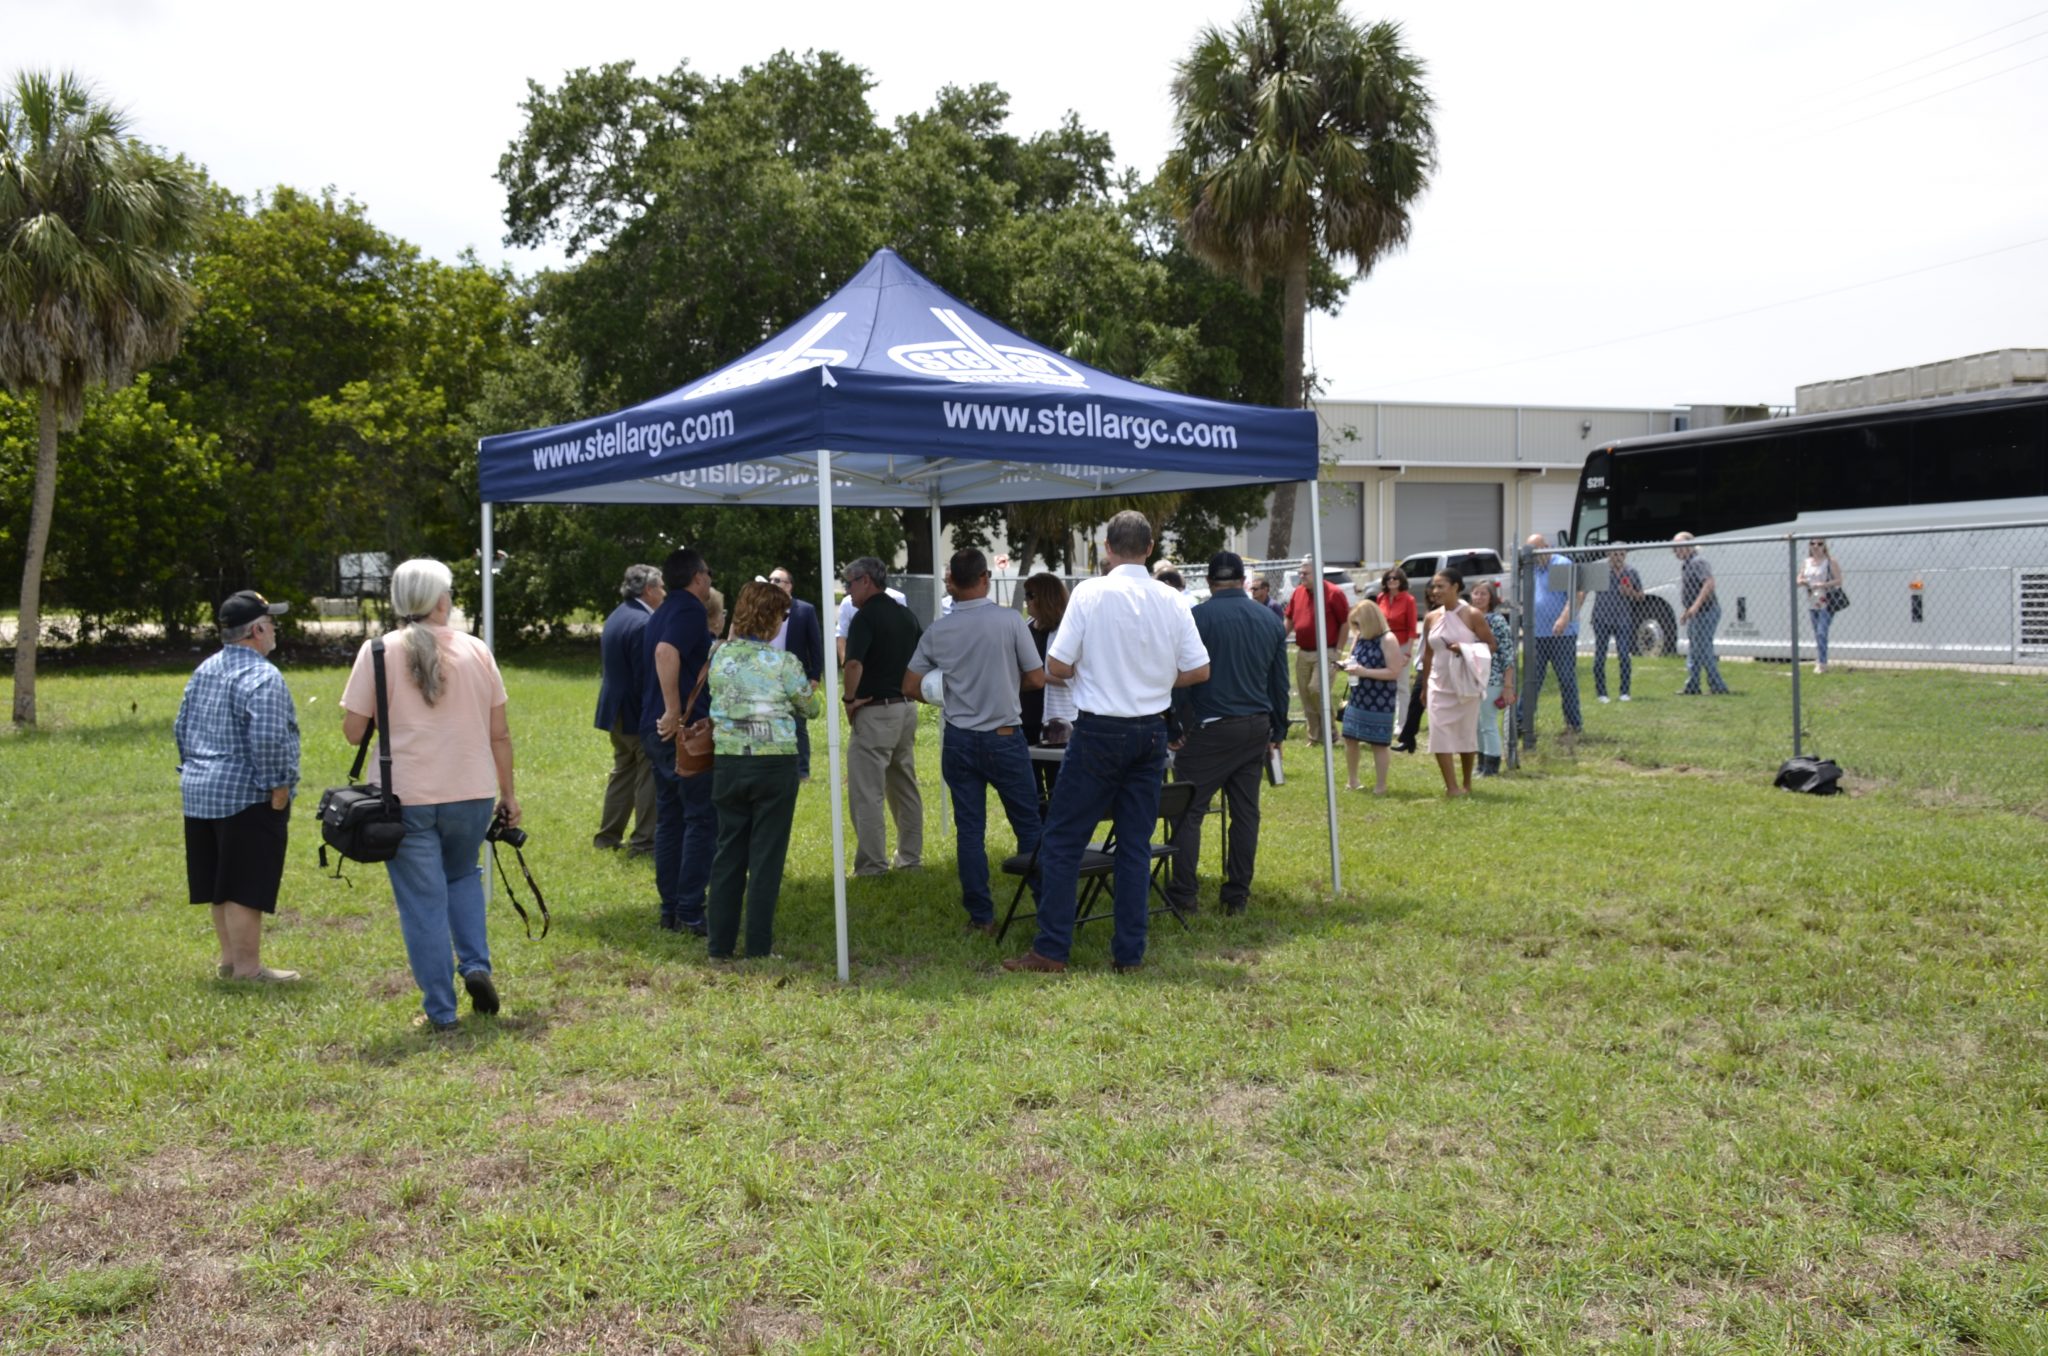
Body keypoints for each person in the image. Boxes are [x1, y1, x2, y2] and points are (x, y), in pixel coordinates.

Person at [1005, 511, 1210, 975]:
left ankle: (1052, 949)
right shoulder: (1173, 599)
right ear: (1151, 548)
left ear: (1106, 549)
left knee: (1061, 840)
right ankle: (1129, 955)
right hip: (1151, 730)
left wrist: (1093, 670)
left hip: (1099, 730)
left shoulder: (1091, 593)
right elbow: (1199, 670)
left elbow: (1056, 666)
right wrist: (1156, 678)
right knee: (1135, 846)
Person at [341, 559, 517, 1031]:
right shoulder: (477, 650)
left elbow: (353, 731)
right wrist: (509, 794)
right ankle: (476, 966)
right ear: (442, 600)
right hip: (473, 790)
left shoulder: (377, 652)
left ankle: (441, 1009)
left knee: (423, 902)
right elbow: (499, 733)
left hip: (409, 796)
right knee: (462, 877)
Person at [904, 548, 1047, 934]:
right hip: (1004, 735)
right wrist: (1004, 682)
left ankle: (981, 916)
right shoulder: (1009, 621)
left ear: (952, 581)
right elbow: (1036, 679)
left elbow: (910, 685)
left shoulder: (938, 630)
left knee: (970, 831)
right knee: (1029, 828)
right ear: (985, 577)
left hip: (960, 738)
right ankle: (1046, 906)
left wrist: (946, 694)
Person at [175, 589, 300, 982]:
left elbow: (182, 726)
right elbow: (267, 737)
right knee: (246, 885)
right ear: (257, 629)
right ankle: (248, 970)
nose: (275, 628)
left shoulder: (205, 669)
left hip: (200, 792)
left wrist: (194, 767)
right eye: (272, 622)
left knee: (220, 884)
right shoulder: (263, 676)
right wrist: (278, 784)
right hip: (246, 795)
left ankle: (229, 961)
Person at [1165, 551, 1289, 915]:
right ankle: (1236, 896)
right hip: (1255, 726)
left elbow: (1182, 679)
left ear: (1208, 581)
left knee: (1187, 811)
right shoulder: (1268, 618)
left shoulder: (1198, 617)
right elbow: (1278, 683)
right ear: (1243, 581)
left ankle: (1184, 894)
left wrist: (1175, 725)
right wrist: (1278, 729)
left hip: (1211, 727)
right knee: (1245, 813)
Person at [704, 581, 820, 960]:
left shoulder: (718, 655)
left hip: (728, 763)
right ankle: (757, 947)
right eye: (783, 615)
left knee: (727, 855)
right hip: (774, 765)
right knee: (766, 859)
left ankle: (719, 946)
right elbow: (810, 708)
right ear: (773, 619)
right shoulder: (784, 663)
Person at [640, 546, 717, 934]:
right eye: (708, 574)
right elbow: (666, 652)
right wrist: (674, 711)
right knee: (700, 819)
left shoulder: (663, 609)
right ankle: (689, 909)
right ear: (697, 577)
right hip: (683, 733)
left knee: (670, 819)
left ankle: (670, 908)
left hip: (656, 730)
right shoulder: (688, 609)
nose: (710, 581)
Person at [841, 557, 924, 876]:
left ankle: (873, 865)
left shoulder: (864, 618)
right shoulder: (905, 615)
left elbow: (852, 665)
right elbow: (921, 659)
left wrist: (849, 699)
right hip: (905, 709)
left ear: (866, 581)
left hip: (874, 711)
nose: (847, 590)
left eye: (850, 583)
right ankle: (910, 858)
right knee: (905, 786)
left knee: (867, 792)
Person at [593, 563, 664, 855]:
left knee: (623, 772)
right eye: (661, 587)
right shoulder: (644, 622)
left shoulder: (617, 615)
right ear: (648, 590)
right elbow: (644, 677)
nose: (664, 592)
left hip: (615, 711)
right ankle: (644, 842)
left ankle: (608, 837)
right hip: (635, 713)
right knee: (648, 772)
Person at [1417, 570, 1492, 797]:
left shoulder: (1472, 614)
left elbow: (1491, 645)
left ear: (1456, 586)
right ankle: (1452, 788)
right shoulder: (1431, 618)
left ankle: (1467, 783)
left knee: (1465, 733)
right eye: (1434, 587)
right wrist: (1424, 685)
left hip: (1464, 682)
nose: (1435, 591)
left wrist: (1464, 648)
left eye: (1441, 586)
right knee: (1439, 733)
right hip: (1438, 682)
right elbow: (1428, 654)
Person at [1518, 534, 1583, 749]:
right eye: (1532, 554)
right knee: (1531, 679)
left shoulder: (1561, 564)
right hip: (1537, 634)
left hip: (1561, 635)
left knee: (1566, 678)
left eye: (1537, 552)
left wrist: (1564, 619)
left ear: (1546, 547)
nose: (1536, 557)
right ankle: (1522, 723)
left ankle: (1573, 724)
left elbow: (1578, 593)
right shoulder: (1533, 568)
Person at [1338, 599, 1403, 794]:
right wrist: (1343, 664)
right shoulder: (1360, 637)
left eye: (1358, 624)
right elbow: (1353, 659)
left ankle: (1381, 785)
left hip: (1380, 699)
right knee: (1350, 738)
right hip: (1358, 695)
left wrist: (1365, 672)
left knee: (1378, 743)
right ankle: (1352, 780)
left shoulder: (1388, 639)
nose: (1356, 628)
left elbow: (1394, 671)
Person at [766, 565, 826, 777]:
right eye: (770, 580)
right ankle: (775, 767)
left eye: (777, 581)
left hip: (797, 676)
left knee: (798, 725)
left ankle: (802, 771)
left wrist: (814, 675)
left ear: (789, 586)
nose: (772, 584)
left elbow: (815, 644)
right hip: (767, 675)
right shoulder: (764, 608)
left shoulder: (804, 610)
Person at [1284, 555, 1349, 746]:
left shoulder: (1333, 593)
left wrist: (1338, 650)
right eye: (1300, 572)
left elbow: (1345, 623)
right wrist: (1279, 636)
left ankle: (1331, 735)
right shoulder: (1298, 593)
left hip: (1327, 650)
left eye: (1305, 573)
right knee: (1305, 693)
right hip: (1303, 652)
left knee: (1316, 689)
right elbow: (1289, 618)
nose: (1301, 576)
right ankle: (1314, 737)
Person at [1020, 572, 1072, 807]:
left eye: (1031, 595)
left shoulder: (1066, 631)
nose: (1027, 601)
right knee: (1028, 784)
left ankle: (1055, 835)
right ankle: (1036, 835)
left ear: (1046, 598)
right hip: (1025, 717)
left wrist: (1042, 678)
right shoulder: (1025, 629)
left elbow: (1076, 677)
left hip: (1057, 721)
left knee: (1057, 783)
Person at [1674, 532, 1730, 695]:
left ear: (1689, 545)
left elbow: (1709, 583)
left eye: (1678, 547)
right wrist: (1687, 612)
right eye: (1674, 548)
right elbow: (1692, 591)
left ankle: (1717, 686)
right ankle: (1693, 685)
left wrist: (1696, 607)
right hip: (1696, 613)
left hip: (1707, 611)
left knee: (1703, 649)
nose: (1675, 551)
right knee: (1696, 650)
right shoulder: (1687, 564)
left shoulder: (1698, 562)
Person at [1470, 581, 1516, 776]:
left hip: (1492, 677)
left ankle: (1492, 765)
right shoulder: (1468, 619)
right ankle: (1480, 763)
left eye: (1484, 594)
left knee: (1488, 723)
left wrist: (1507, 684)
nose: (1479, 597)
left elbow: (1507, 653)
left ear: (1491, 598)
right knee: (1476, 725)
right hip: (1472, 678)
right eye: (1476, 593)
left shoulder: (1497, 621)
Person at [1376, 568, 1422, 754]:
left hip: (1402, 645)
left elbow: (1412, 629)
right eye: (1389, 578)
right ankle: (1382, 720)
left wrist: (1408, 653)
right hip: (1383, 644)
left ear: (1401, 580)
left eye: (1395, 578)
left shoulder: (1408, 600)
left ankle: (1400, 724)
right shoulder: (1381, 598)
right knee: (1383, 683)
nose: (1392, 581)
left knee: (1401, 686)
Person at [1591, 549, 1641, 704]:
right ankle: (1601, 693)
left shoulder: (1631, 572)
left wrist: (1630, 592)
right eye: (1615, 554)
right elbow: (1584, 591)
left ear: (1625, 555)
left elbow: (1641, 596)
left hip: (1622, 620)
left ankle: (1625, 692)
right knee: (1600, 657)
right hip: (1601, 619)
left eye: (1621, 554)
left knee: (1624, 656)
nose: (1618, 557)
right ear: (1608, 554)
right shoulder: (1601, 571)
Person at [835, 579, 907, 665]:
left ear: (866, 580)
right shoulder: (848, 602)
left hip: (890, 663)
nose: (849, 589)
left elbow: (902, 632)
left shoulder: (897, 598)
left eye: (851, 583)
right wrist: (845, 664)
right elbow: (842, 635)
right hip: (860, 663)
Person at [1799, 538, 1843, 674]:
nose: (1816, 546)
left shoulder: (1830, 561)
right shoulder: (1807, 562)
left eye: (1819, 544)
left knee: (1821, 632)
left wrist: (1822, 585)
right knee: (1817, 634)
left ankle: (1822, 663)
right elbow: (1798, 578)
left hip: (1827, 601)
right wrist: (1804, 582)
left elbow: (1839, 580)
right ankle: (1820, 660)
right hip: (1813, 601)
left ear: (1824, 546)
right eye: (1812, 543)